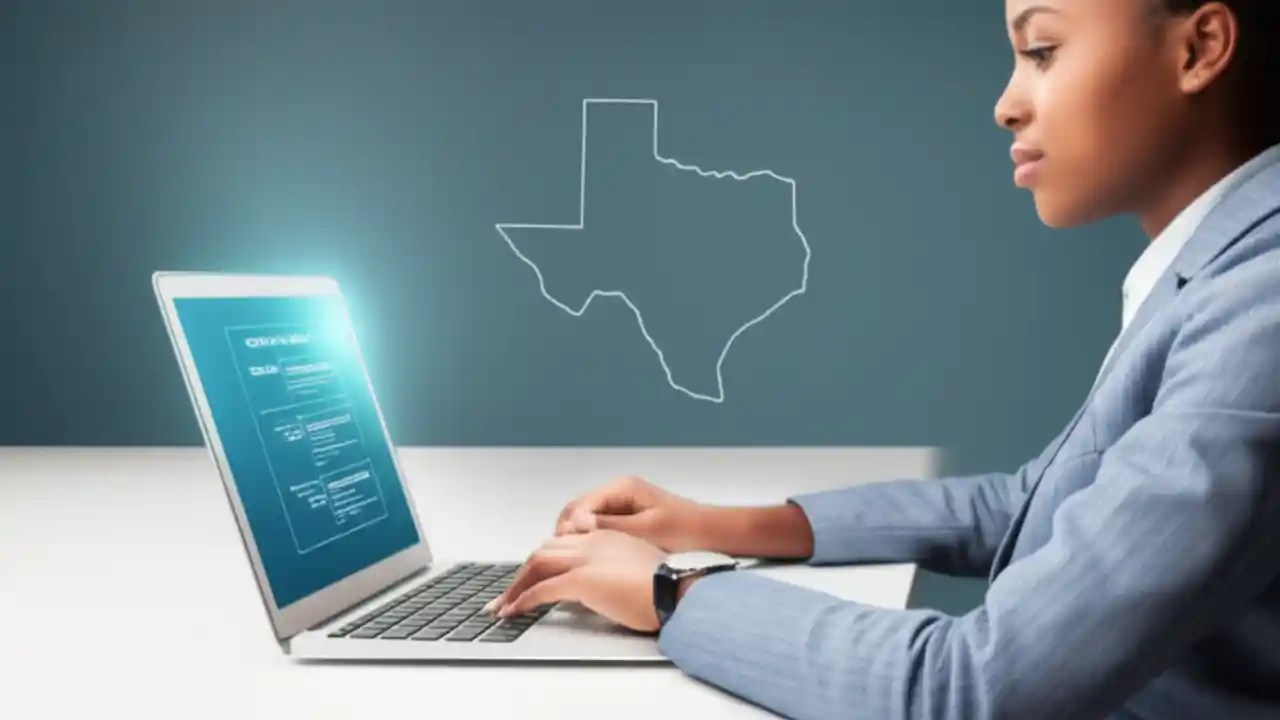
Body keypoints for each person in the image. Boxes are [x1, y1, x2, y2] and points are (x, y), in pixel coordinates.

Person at [484, 1, 1280, 717]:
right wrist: (712, 524)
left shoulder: (1260, 308)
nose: (1006, 104)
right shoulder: (1224, 267)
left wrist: (670, 593)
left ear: (1199, 47)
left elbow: (973, 687)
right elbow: (1031, 501)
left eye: (1042, 49)